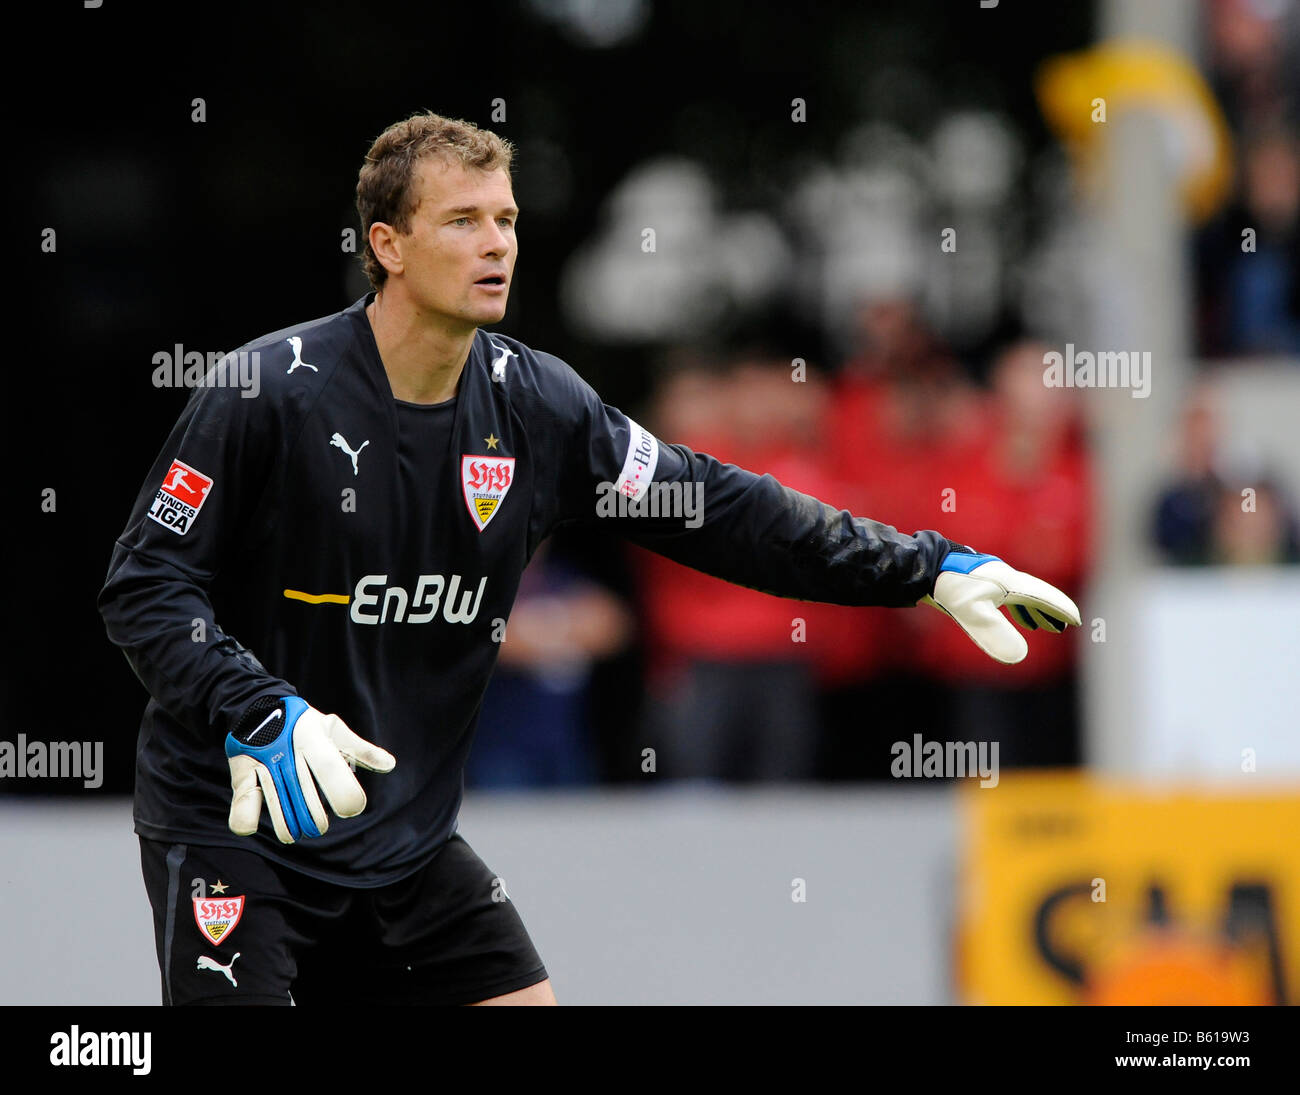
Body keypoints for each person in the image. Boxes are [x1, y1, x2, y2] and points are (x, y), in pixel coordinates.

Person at [98, 111, 1081, 1007]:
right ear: (387, 246)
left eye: (506, 220)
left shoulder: (538, 405)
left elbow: (719, 508)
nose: (496, 244)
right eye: (463, 222)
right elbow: (145, 586)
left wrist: (929, 568)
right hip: (238, 822)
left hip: (403, 839)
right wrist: (259, 707)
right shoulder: (267, 391)